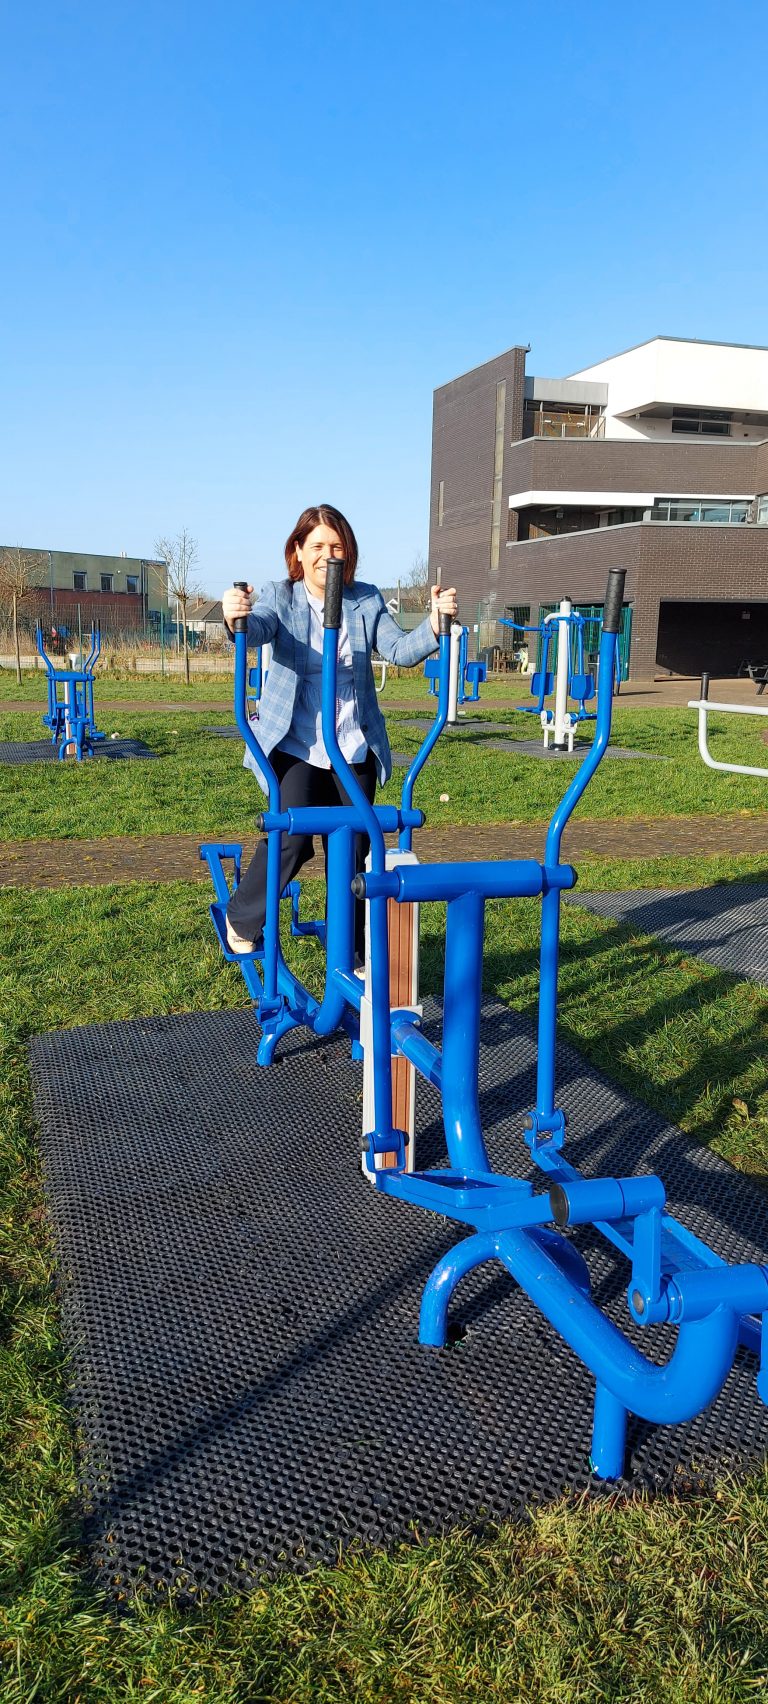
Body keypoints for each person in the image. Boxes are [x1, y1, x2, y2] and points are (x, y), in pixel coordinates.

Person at [221, 502, 457, 959]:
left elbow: (399, 649)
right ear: (297, 550)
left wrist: (433, 623)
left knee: (354, 847)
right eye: (317, 546)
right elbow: (260, 627)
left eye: (336, 546)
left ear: (347, 553)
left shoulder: (364, 599)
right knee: (291, 836)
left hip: (351, 741)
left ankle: (352, 954)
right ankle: (241, 918)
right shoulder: (279, 595)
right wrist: (237, 617)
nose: (327, 555)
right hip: (296, 742)